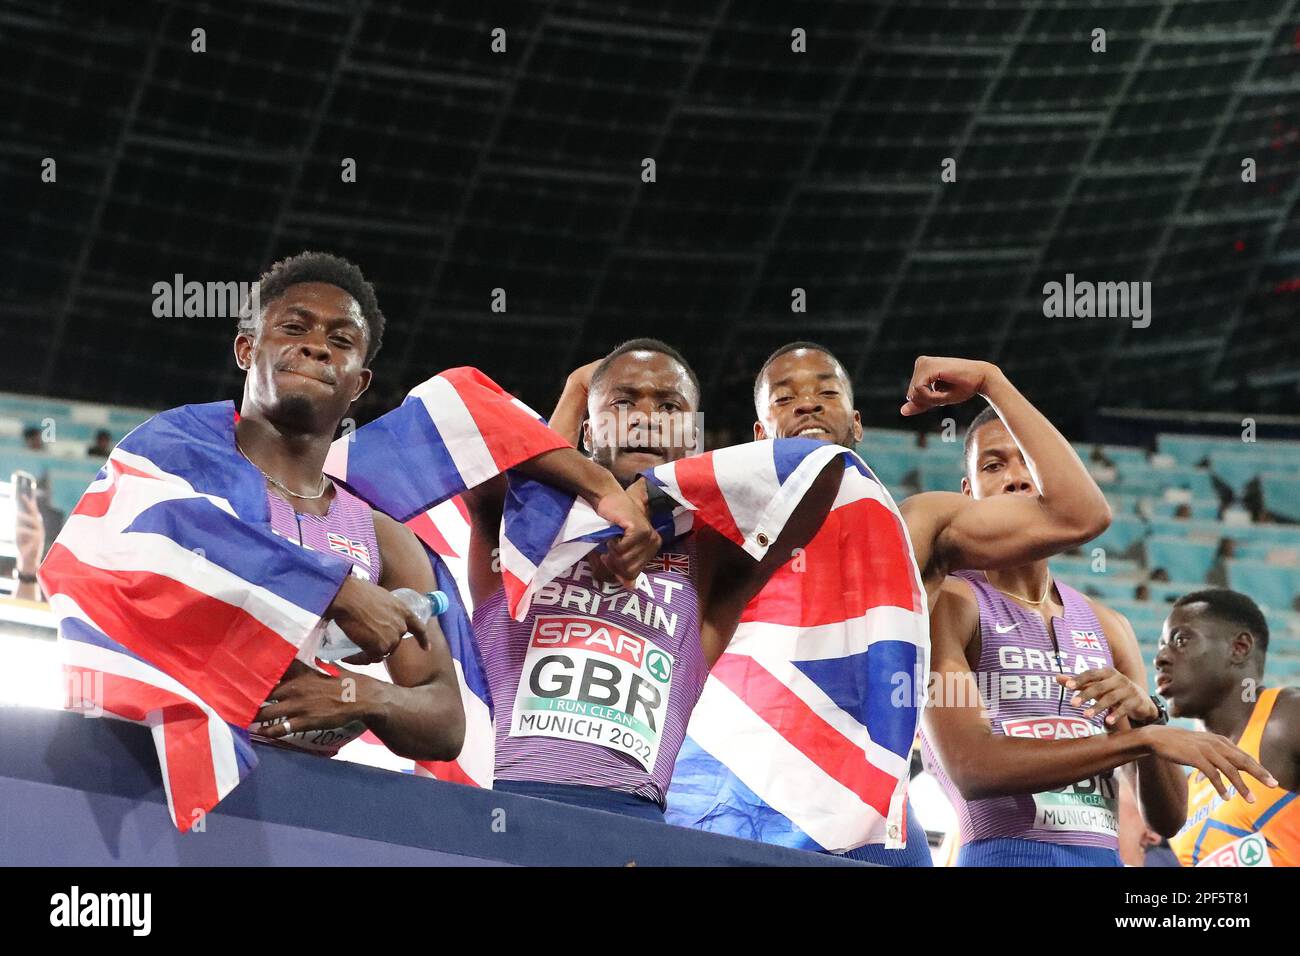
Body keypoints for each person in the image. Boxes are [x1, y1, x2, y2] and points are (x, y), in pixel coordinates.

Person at [469, 338, 842, 820]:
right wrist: (581, 409)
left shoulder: (707, 558)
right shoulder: (516, 525)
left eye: (670, 407)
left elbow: (821, 468)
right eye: (623, 402)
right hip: (491, 812)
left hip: (631, 825)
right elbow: (460, 409)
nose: (645, 418)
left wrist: (651, 498)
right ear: (586, 430)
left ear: (693, 439)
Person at [921, 408, 1270, 866]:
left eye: (1029, 461)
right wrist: (1142, 741)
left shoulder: (1109, 626)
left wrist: (1148, 722)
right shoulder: (947, 603)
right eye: (994, 465)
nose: (1016, 479)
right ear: (968, 493)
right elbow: (971, 768)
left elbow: (1167, 819)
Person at [1161, 589, 1299, 866]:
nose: (1161, 657)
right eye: (1161, 645)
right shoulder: (1183, 792)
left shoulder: (1287, 719)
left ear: (1239, 648)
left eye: (1181, 640)